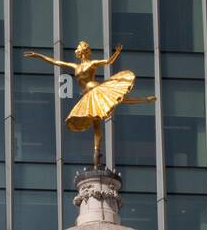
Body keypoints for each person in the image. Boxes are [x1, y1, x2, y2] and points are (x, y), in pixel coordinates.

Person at [23, 40, 155, 166]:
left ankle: (145, 100)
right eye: (79, 49)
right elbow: (56, 62)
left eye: (80, 49)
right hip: (87, 96)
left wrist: (117, 52)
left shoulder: (92, 64)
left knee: (119, 100)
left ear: (84, 51)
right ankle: (96, 152)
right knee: (97, 125)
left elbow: (108, 61)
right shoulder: (75, 66)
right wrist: (38, 55)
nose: (79, 51)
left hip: (96, 90)